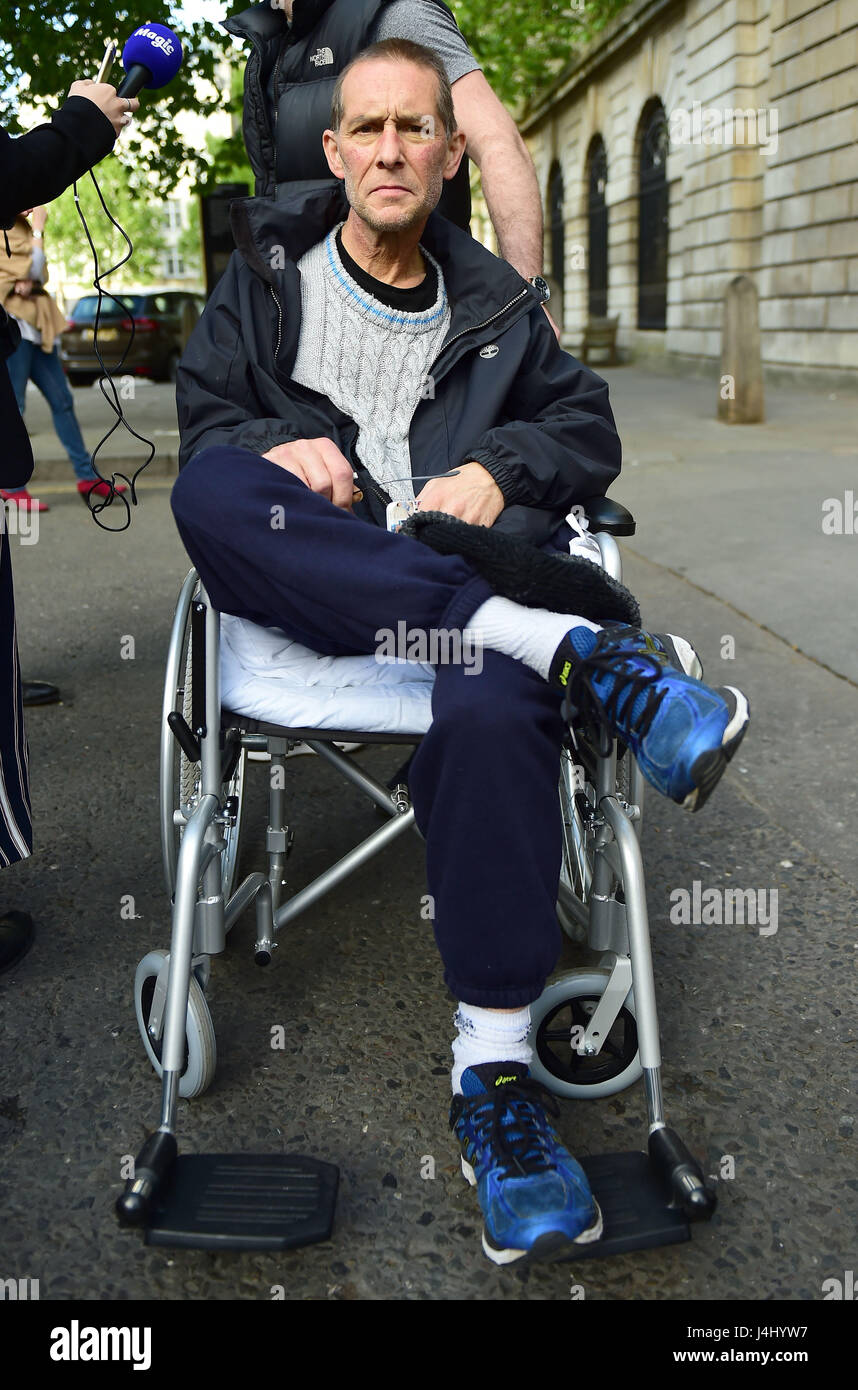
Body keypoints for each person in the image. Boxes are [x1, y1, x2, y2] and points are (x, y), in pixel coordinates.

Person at [171, 41, 750, 1264]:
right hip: (312, 580)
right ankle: (575, 651)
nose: (390, 149)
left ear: (449, 155)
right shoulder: (263, 282)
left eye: (414, 128)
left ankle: (494, 1080)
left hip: (458, 606)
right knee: (211, 490)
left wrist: (498, 465)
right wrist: (274, 445)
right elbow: (208, 421)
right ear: (334, 151)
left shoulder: (497, 305)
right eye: (367, 128)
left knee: (491, 699)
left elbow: (585, 427)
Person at [0, 77, 139, 975]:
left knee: (57, 412)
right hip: (15, 331)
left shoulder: (31, 222)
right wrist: (82, 123)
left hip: (37, 331)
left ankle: (81, 474)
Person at [225, 0, 561, 336]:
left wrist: (524, 305)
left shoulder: (399, 16)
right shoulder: (271, 42)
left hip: (418, 326)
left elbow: (498, 144)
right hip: (305, 322)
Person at [0, 205, 127, 511]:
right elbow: (30, 270)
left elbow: (39, 273)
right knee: (14, 406)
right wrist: (39, 231)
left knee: (63, 401)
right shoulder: (5, 228)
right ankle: (11, 486)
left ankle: (87, 477)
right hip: (14, 329)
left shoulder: (22, 229)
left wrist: (30, 272)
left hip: (38, 329)